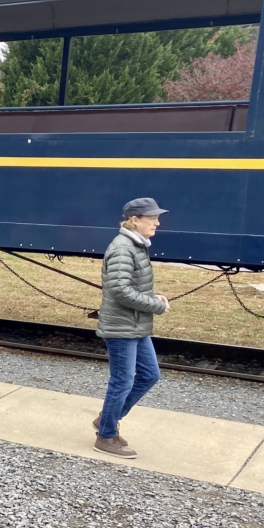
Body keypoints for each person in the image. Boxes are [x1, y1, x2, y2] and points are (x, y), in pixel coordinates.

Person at [93, 197, 170, 460]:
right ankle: (105, 435)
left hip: (135, 324)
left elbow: (131, 285)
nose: (157, 223)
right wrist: (155, 306)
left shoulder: (136, 245)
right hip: (122, 327)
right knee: (122, 381)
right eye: (152, 218)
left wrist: (153, 295)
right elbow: (120, 290)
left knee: (150, 375)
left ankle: (107, 418)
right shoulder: (124, 248)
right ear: (134, 220)